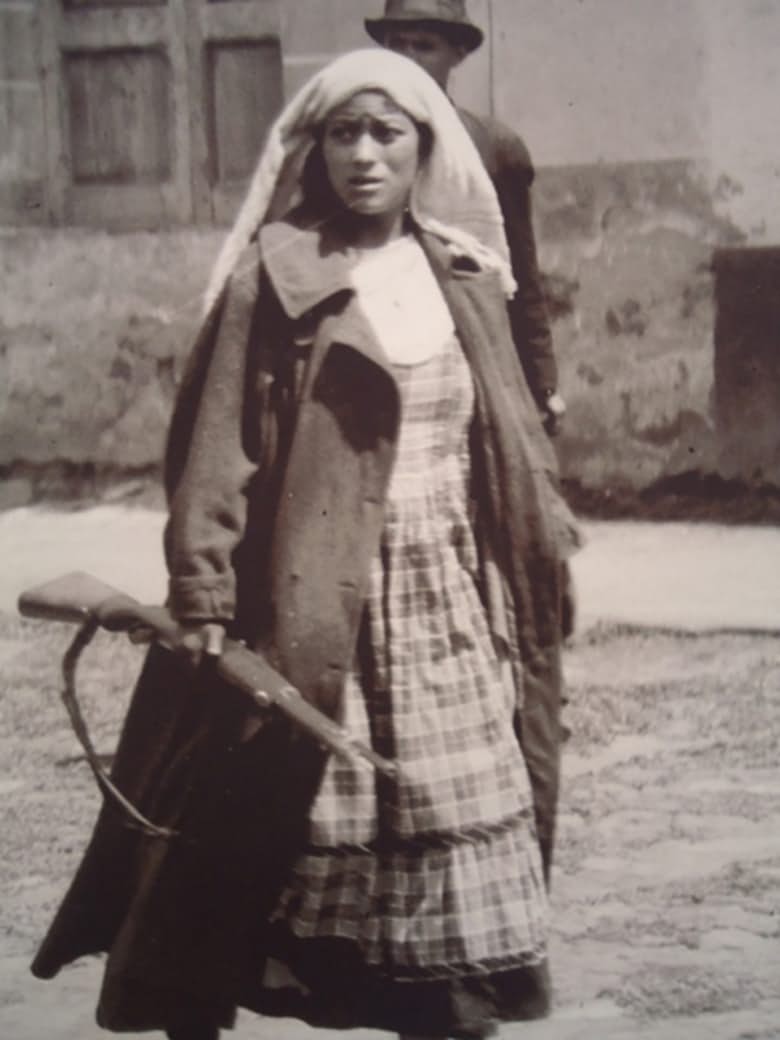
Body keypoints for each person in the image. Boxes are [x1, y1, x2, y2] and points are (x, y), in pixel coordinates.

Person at [30, 49, 577, 1040]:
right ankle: (213, 998)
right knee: (279, 814)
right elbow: (214, 451)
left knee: (446, 809)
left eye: (387, 134)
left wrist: (531, 575)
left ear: (424, 150)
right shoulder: (275, 280)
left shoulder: (465, 276)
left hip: (451, 596)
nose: (364, 155)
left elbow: (510, 443)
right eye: (342, 134)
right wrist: (203, 590)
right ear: (314, 150)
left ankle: (448, 1009)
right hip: (316, 595)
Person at [365, 0, 566, 435]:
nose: (408, 59)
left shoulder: (492, 148)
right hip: (381, 354)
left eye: (424, 46)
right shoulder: (356, 147)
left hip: (467, 349)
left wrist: (542, 382)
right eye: (397, 44)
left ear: (457, 54)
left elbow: (519, 275)